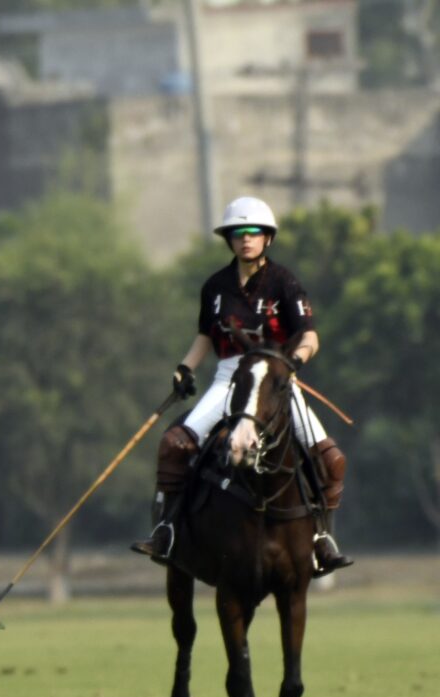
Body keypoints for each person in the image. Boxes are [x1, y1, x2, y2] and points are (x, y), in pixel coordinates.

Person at [131, 196, 353, 576]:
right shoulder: (216, 287)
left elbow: (309, 336)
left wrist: (293, 363)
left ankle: (322, 540)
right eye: (237, 233)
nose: (245, 240)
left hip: (278, 379)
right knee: (173, 445)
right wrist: (185, 367)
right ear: (229, 240)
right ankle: (166, 530)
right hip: (229, 376)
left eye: (253, 233)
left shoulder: (284, 282)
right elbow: (205, 335)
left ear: (267, 238)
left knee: (331, 459)